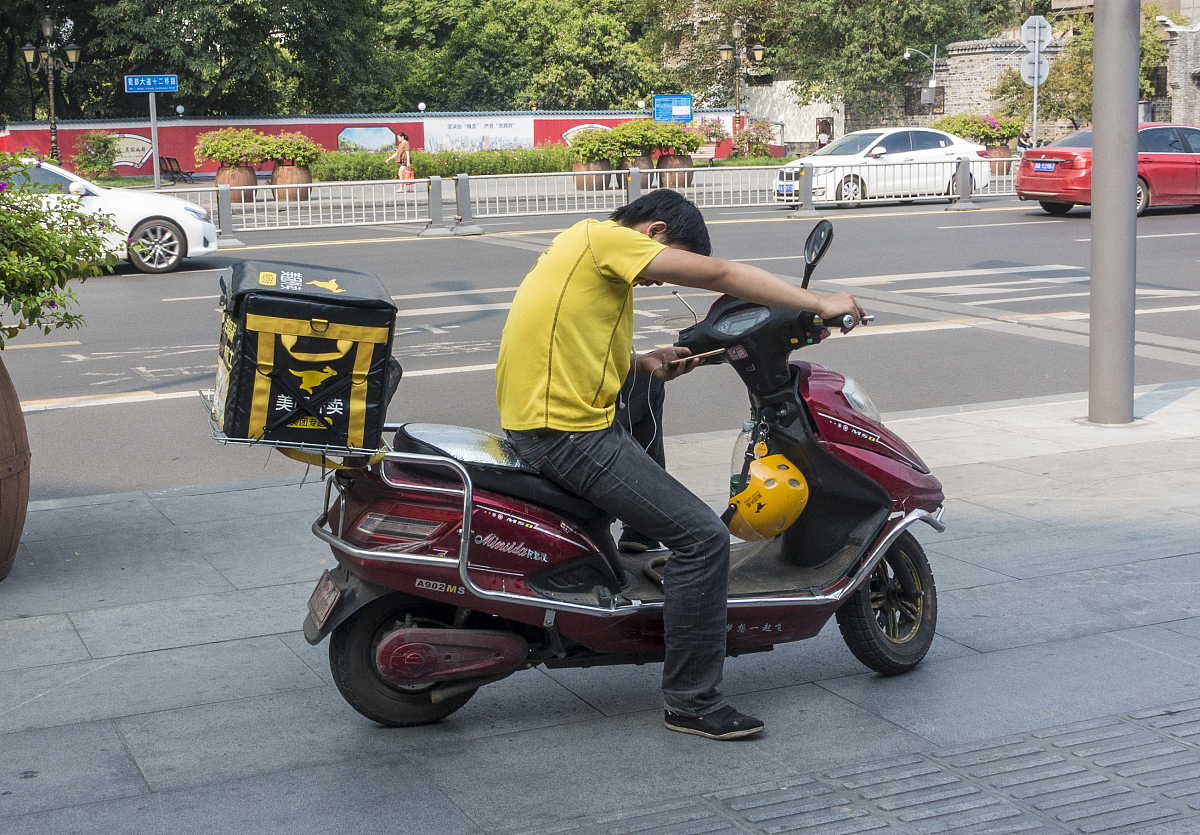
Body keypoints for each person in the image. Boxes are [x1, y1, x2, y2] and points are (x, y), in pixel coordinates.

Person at [495, 190, 865, 740]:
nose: (655, 282)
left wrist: (643, 362)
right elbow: (719, 274)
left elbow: (567, 338)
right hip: (566, 435)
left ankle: (641, 555)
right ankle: (691, 702)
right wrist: (820, 303)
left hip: (548, 420)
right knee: (703, 539)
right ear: (657, 232)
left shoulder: (579, 247)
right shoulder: (608, 239)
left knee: (651, 413)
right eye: (664, 268)